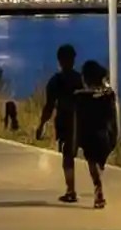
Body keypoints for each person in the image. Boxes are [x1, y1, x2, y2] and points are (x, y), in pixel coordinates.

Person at [36, 44, 85, 203]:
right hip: (81, 120)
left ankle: (71, 190)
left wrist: (42, 125)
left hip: (65, 121)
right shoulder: (81, 79)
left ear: (59, 60)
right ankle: (99, 190)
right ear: (73, 59)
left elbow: (49, 106)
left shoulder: (55, 81)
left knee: (67, 156)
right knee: (89, 156)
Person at [74, 60, 119, 209]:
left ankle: (98, 186)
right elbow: (112, 115)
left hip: (88, 134)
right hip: (104, 133)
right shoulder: (108, 95)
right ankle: (98, 187)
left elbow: (78, 117)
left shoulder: (80, 96)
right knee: (99, 161)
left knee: (92, 162)